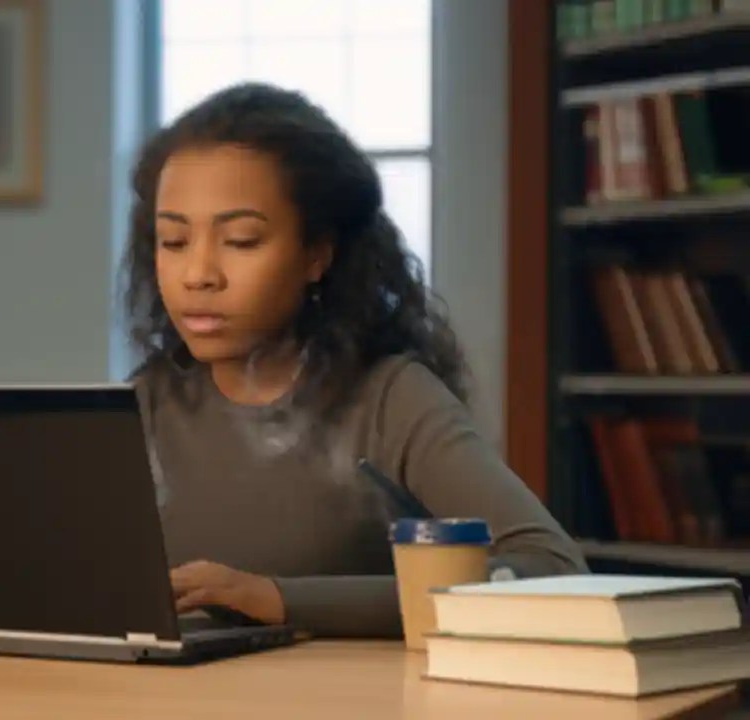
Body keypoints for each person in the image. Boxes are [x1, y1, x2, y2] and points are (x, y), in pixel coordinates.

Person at [120, 82, 587, 638]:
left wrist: (277, 599)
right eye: (173, 241)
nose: (198, 274)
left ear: (317, 253)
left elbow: (550, 569)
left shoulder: (390, 399)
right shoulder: (148, 400)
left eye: (242, 240)